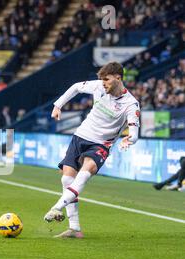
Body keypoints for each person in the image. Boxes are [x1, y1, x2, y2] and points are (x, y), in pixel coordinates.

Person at [43, 62, 141, 238]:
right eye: (102, 80)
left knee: (85, 172)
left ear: (118, 78)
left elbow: (134, 132)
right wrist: (58, 105)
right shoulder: (98, 86)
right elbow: (75, 87)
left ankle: (56, 207)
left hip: (101, 144)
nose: (103, 83)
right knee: (67, 179)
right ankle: (74, 229)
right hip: (81, 136)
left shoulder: (131, 104)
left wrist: (130, 138)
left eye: (107, 80)